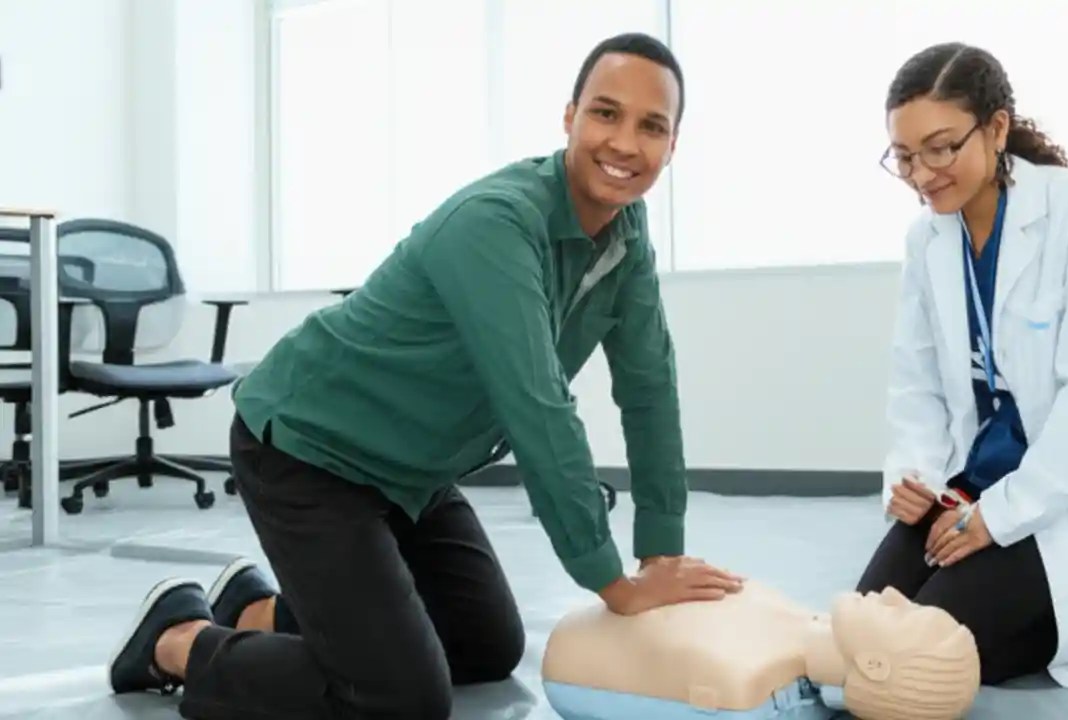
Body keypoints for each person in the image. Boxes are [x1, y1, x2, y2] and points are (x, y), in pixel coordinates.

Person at [106, 32, 742, 720]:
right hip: (308, 449)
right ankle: (177, 638)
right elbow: (537, 405)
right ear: (570, 117)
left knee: (484, 644)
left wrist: (659, 557)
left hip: (411, 473)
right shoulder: (496, 224)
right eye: (606, 113)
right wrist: (611, 582)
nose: (624, 143)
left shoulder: (626, 235)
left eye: (652, 126)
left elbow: (649, 389)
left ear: (674, 145)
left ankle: (259, 610)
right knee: (398, 699)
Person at [856, 42, 1068, 688]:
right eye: (906, 156)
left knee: (913, 661)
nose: (922, 174)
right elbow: (916, 387)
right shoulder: (928, 238)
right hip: (972, 486)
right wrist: (914, 475)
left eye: (941, 148)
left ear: (996, 128)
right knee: (858, 629)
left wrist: (997, 519)